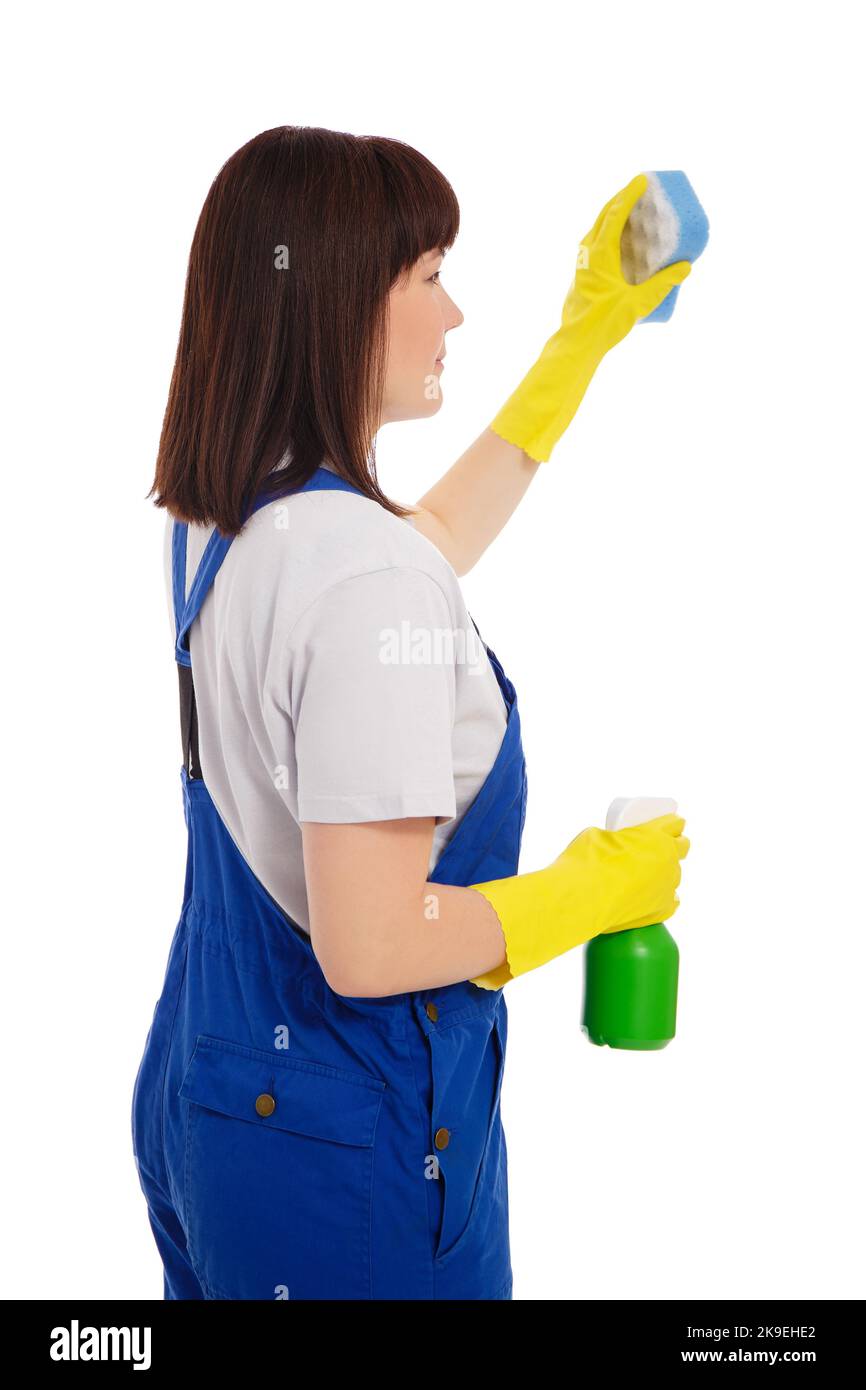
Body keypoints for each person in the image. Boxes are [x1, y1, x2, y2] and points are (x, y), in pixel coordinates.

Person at [131, 125, 690, 1301]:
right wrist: (593, 890)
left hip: (214, 1098)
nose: (453, 315)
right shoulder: (360, 576)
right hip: (355, 1163)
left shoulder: (226, 514)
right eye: (429, 277)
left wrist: (579, 342)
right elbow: (372, 946)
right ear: (333, 300)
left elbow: (410, 552)